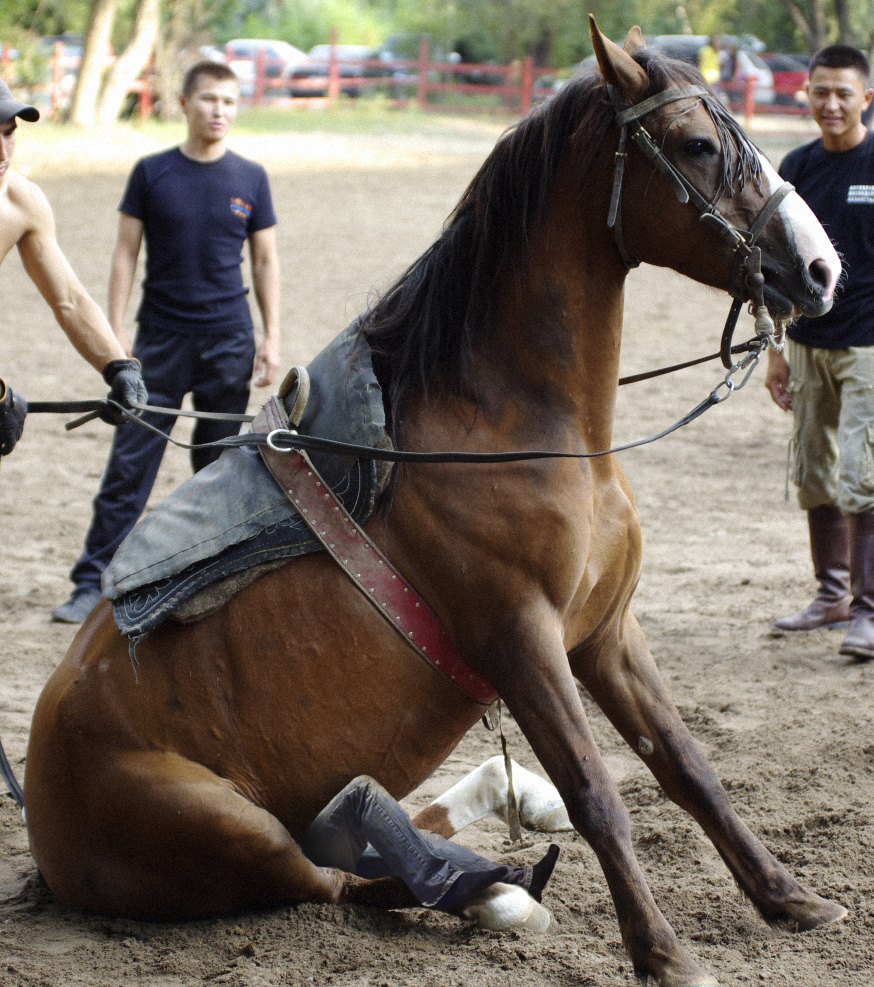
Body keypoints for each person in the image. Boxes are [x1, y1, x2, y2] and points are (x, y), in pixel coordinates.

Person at [53, 60, 281, 624]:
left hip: (228, 340)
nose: (220, 111)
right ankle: (90, 584)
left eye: (229, 102)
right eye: (209, 100)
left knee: (219, 466)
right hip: (158, 341)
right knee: (130, 466)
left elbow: (266, 259)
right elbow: (125, 253)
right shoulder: (152, 173)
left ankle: (208, 582)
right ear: (183, 103)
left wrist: (270, 337)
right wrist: (112, 337)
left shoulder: (251, 177)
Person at [766, 44, 874, 660]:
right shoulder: (797, 168)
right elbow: (777, 272)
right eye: (820, 92)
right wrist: (778, 352)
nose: (830, 104)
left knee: (863, 474)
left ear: (866, 98)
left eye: (843, 93)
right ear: (805, 93)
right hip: (807, 345)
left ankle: (867, 611)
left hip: (868, 347)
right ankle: (831, 596)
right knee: (813, 470)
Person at [0, 80, 146, 459]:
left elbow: (68, 299)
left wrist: (117, 367)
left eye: (8, 133)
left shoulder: (20, 202)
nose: (3, 152)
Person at [300, 775, 559, 926]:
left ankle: (519, 880)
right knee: (362, 793)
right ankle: (441, 883)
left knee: (420, 839)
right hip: (300, 856)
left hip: (322, 846)